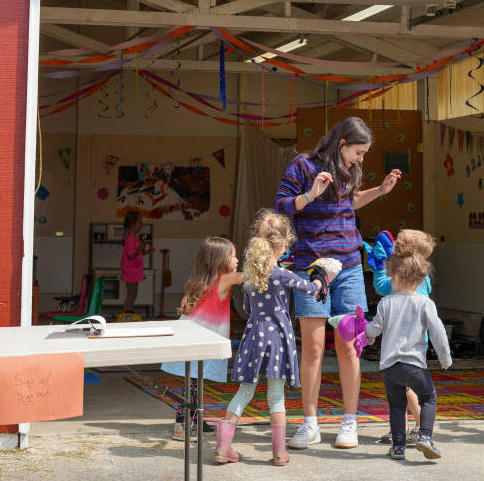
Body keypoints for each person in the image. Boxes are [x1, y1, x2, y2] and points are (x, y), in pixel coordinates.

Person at [274, 116, 401, 450]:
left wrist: (380, 190)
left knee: (350, 344)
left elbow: (349, 202)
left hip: (350, 266)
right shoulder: (302, 165)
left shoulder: (351, 170)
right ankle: (310, 422)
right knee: (313, 347)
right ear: (342, 143)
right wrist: (311, 194)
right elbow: (282, 205)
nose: (361, 159)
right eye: (358, 152)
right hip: (312, 266)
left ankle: (349, 422)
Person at [214, 209, 327, 467]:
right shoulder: (283, 274)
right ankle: (278, 453)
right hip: (277, 339)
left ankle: (222, 449)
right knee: (276, 397)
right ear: (283, 245)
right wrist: (321, 277)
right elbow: (310, 290)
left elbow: (245, 306)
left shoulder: (251, 276)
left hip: (254, 336)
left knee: (244, 392)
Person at [365, 248, 451, 461]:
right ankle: (425, 436)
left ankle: (398, 446)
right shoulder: (425, 303)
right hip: (415, 365)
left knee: (396, 405)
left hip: (391, 367)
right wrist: (445, 358)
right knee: (429, 397)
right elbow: (438, 332)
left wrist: (366, 334)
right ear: (421, 279)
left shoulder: (386, 302)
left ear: (395, 278)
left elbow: (374, 329)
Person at [161, 236, 243, 441]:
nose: (237, 259)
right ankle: (182, 424)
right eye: (233, 255)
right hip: (200, 344)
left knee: (193, 382)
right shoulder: (224, 280)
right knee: (192, 385)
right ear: (220, 260)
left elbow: (184, 307)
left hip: (190, 341)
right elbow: (250, 276)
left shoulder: (198, 284)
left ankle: (195, 419)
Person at [370, 229, 436, 445]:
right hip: (416, 340)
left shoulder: (403, 279)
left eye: (398, 245)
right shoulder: (421, 278)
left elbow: (381, 287)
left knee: (405, 388)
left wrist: (379, 267)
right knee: (408, 386)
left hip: (404, 341)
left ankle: (417, 427)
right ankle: (410, 427)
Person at [120, 211, 146, 314]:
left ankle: (129, 311)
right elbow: (130, 255)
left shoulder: (134, 238)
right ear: (133, 225)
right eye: (140, 223)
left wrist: (144, 250)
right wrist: (141, 247)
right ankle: (126, 312)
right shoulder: (130, 238)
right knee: (131, 293)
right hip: (130, 271)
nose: (141, 225)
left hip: (134, 271)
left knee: (134, 293)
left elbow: (136, 253)